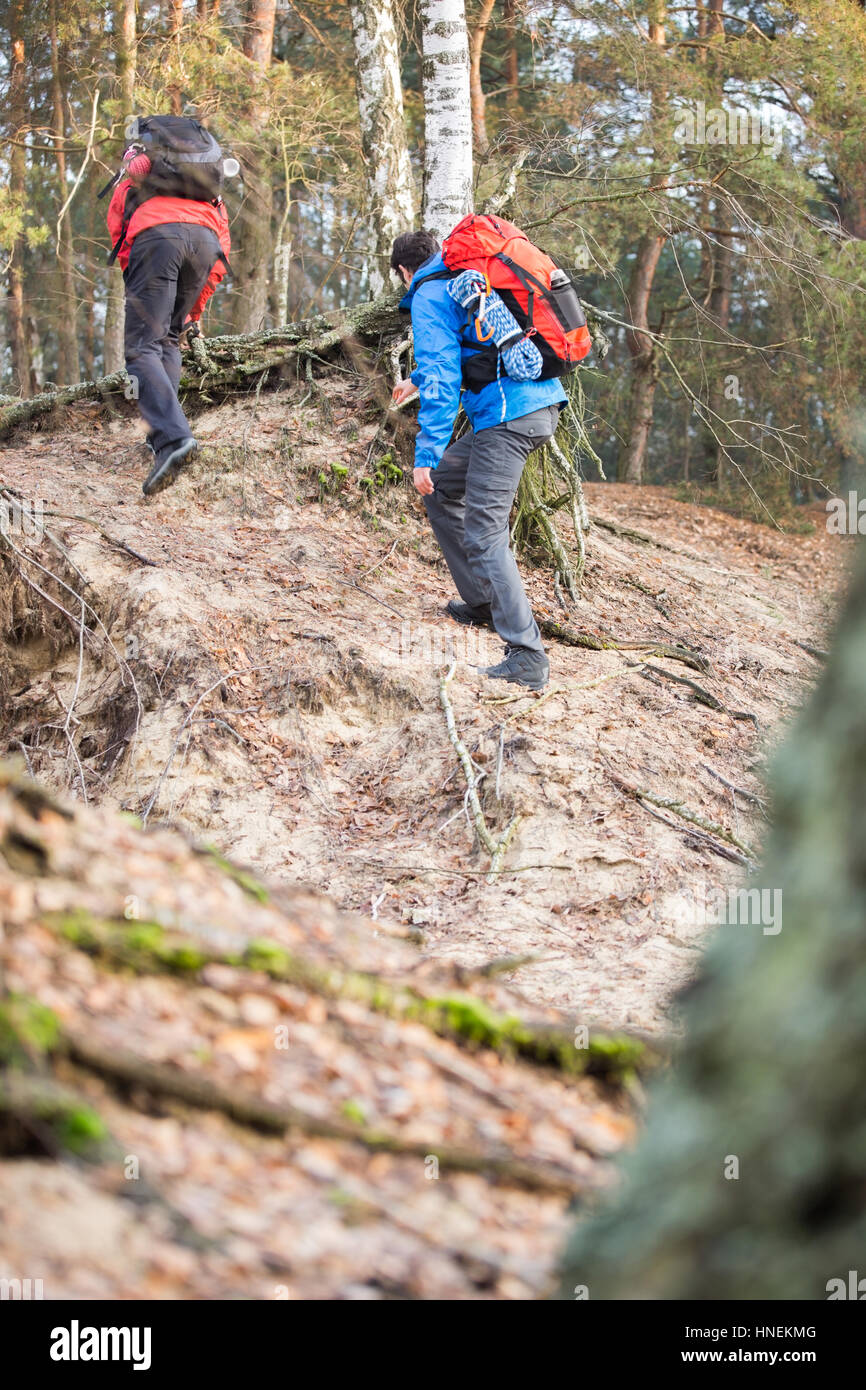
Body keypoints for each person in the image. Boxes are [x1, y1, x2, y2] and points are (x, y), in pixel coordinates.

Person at [391, 230, 566, 690]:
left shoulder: (428, 293)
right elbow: (472, 346)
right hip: (535, 404)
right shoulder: (464, 277)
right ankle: (483, 601)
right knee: (445, 489)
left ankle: (527, 656)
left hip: (509, 416)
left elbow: (447, 379)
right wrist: (416, 379)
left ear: (404, 272)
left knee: (485, 529)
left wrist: (426, 454)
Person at [106, 147, 231, 496]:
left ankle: (172, 437)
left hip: (157, 239)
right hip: (204, 243)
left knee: (142, 345)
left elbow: (119, 229)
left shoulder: (135, 177)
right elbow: (222, 250)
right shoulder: (207, 188)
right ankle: (162, 436)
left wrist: (136, 278)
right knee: (167, 339)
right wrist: (196, 310)